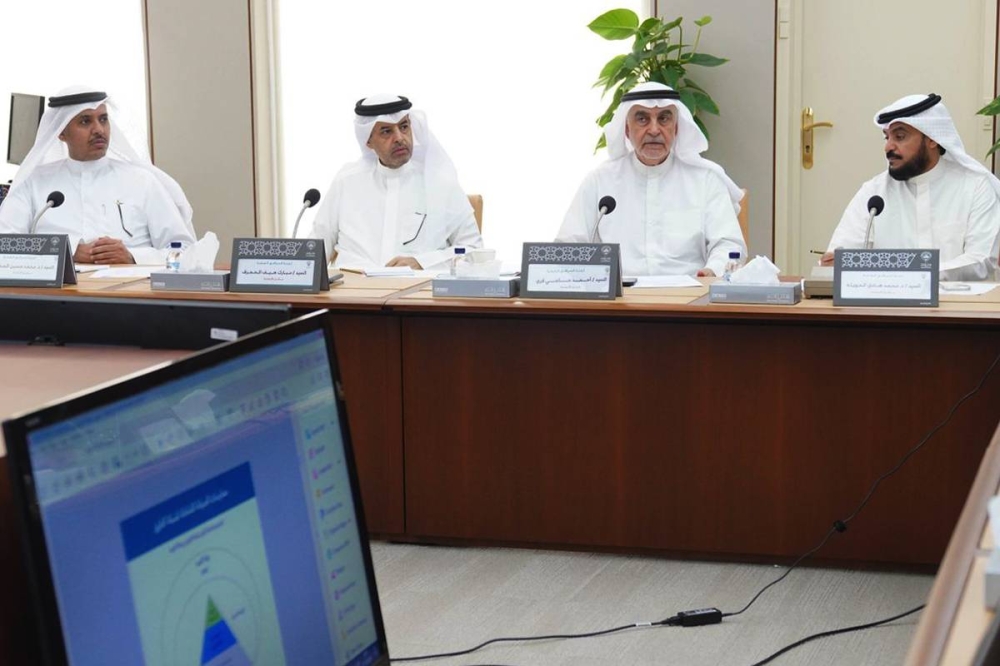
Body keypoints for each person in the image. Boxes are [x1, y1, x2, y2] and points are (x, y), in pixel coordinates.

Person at [556, 81, 746, 277]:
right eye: (642, 119)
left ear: (676, 128)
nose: (654, 130)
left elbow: (729, 244)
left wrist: (712, 271)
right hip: (620, 293)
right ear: (627, 130)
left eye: (664, 119)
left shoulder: (705, 179)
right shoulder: (600, 180)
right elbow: (568, 245)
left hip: (689, 291)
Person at [0, 86, 195, 265]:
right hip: (59, 292)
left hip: (130, 291)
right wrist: (67, 251)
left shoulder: (142, 181)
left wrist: (133, 256)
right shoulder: (34, 182)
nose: (99, 130)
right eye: (85, 121)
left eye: (103, 119)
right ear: (61, 132)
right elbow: (5, 244)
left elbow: (186, 251)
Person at [821, 93, 1000, 281]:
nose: (888, 147)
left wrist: (912, 275)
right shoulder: (874, 193)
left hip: (957, 298)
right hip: (887, 300)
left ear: (932, 138)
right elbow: (839, 256)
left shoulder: (974, 186)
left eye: (900, 137)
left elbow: (981, 259)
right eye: (887, 137)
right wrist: (835, 264)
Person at [311, 94, 482, 270]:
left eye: (404, 127)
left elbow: (474, 251)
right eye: (386, 131)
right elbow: (315, 246)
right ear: (368, 140)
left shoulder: (441, 183)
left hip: (415, 286)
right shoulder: (346, 181)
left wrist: (422, 263)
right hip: (353, 284)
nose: (399, 138)